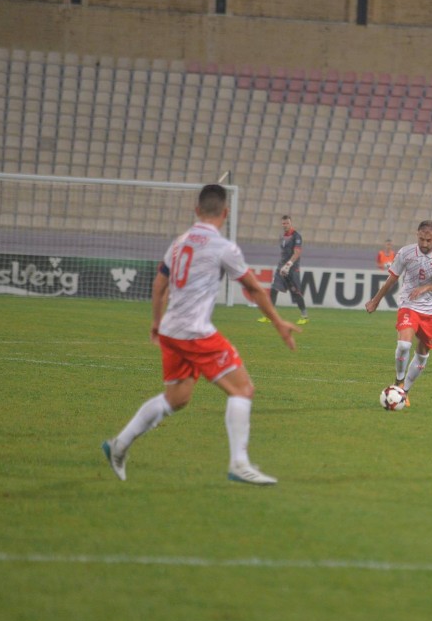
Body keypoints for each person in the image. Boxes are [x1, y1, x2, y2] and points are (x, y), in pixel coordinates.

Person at [102, 185, 301, 485]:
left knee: (177, 398)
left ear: (197, 211)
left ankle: (119, 445)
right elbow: (253, 288)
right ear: (225, 213)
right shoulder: (223, 247)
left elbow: (158, 287)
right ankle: (239, 463)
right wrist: (278, 323)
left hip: (171, 330)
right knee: (242, 390)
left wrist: (156, 324)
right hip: (195, 332)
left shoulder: (178, 243)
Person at [365, 220, 432, 407]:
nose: (424, 244)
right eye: (421, 239)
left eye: (428, 240)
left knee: (423, 354)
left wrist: (428, 287)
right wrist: (375, 300)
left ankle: (405, 391)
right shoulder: (406, 253)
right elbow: (391, 280)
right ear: (417, 234)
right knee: (403, 345)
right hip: (409, 305)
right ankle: (399, 381)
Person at [257, 214, 309, 325]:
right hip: (281, 268)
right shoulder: (282, 236)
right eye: (283, 223)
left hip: (292, 268)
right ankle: (269, 316)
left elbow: (297, 252)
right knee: (273, 290)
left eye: (287, 223)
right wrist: (282, 265)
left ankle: (304, 316)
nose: (285, 225)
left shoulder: (296, 236)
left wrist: (288, 264)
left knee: (296, 293)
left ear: (291, 223)